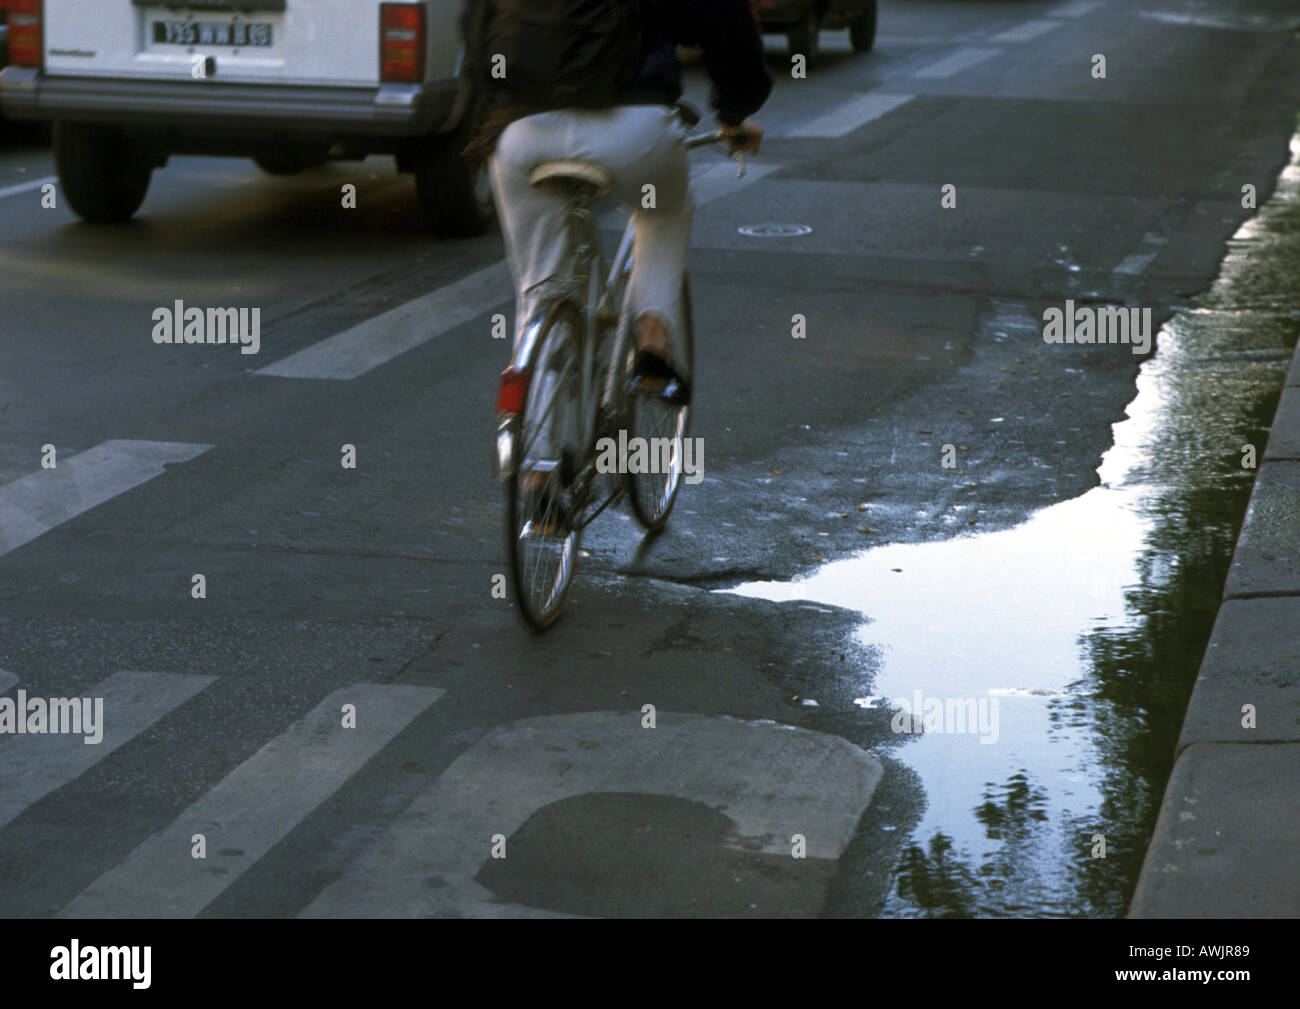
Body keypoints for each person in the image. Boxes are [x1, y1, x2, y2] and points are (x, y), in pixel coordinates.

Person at [460, 0, 773, 403]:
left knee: (540, 291)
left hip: (522, 132)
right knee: (663, 212)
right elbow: (726, 23)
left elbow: (475, 31)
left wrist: (490, 110)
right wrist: (734, 113)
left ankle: (535, 462)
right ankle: (653, 342)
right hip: (635, 128)